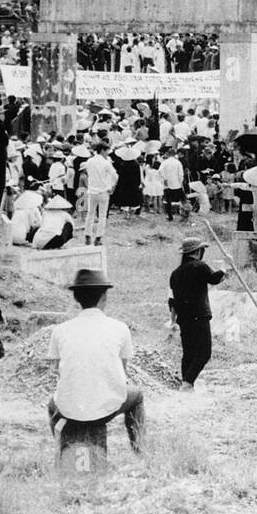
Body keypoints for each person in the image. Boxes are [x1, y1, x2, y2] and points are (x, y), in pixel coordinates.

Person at [47, 269, 145, 450]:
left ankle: (65, 449)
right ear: (104, 298)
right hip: (106, 409)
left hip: (70, 409)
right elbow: (122, 371)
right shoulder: (120, 328)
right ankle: (140, 449)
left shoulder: (59, 330)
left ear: (76, 299)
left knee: (52, 405)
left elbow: (56, 370)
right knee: (136, 395)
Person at [167, 237, 226, 391]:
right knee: (204, 353)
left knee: (189, 353)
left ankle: (187, 384)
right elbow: (214, 279)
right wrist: (226, 267)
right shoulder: (199, 266)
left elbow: (171, 300)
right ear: (198, 252)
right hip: (199, 315)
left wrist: (172, 321)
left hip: (183, 318)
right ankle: (187, 383)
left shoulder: (175, 274)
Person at [81, 140, 118, 246]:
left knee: (90, 214)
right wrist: (112, 186)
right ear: (102, 150)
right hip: (103, 191)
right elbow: (115, 176)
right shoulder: (106, 163)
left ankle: (87, 236)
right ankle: (98, 238)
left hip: (92, 190)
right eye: (107, 151)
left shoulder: (89, 162)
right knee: (102, 216)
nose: (107, 153)